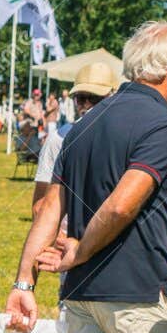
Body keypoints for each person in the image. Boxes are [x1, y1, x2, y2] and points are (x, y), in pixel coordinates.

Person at [6, 20, 167, 333]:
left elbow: (48, 209)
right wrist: (81, 251)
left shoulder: (84, 124)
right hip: (137, 292)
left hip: (79, 295)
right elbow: (122, 204)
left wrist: (24, 280)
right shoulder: (161, 124)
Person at [32, 62, 117, 218]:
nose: (87, 105)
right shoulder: (58, 139)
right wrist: (60, 239)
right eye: (81, 98)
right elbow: (39, 206)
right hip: (65, 235)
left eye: (96, 98)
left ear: (113, 98)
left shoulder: (124, 139)